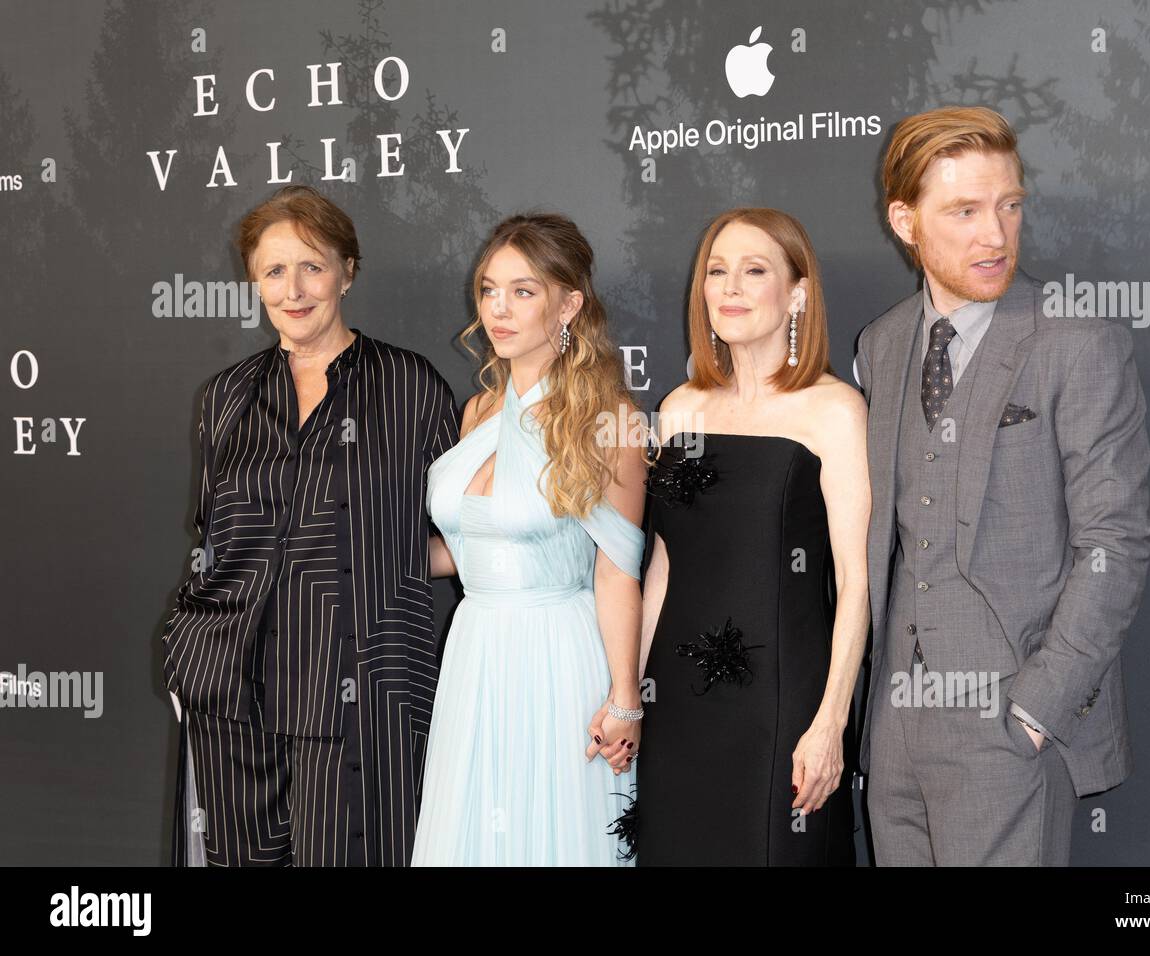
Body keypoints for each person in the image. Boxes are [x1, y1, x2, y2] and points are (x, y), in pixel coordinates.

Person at [856, 106, 1150, 865]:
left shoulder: (1076, 338)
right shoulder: (884, 344)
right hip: (893, 732)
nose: (996, 234)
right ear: (905, 221)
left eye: (1009, 205)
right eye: (964, 211)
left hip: (1008, 721)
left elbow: (1113, 544)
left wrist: (1035, 708)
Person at [161, 184, 459, 866]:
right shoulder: (227, 396)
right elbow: (212, 536)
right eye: (273, 271)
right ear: (253, 283)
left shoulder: (410, 387)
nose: (293, 290)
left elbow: (466, 534)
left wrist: (380, 558)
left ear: (347, 271)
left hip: (359, 695)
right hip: (230, 689)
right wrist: (187, 660)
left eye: (312, 266)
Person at [635, 208, 868, 865]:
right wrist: (634, 693)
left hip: (780, 704)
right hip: (677, 703)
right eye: (717, 271)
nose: (730, 287)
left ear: (797, 293)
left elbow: (855, 583)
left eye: (754, 270)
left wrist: (830, 722)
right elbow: (663, 569)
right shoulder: (679, 409)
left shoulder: (834, 411)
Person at [411, 213, 646, 865]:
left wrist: (624, 698)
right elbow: (469, 552)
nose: (498, 309)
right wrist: (358, 551)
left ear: (569, 302)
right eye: (489, 289)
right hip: (475, 652)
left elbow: (617, 571)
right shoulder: (479, 412)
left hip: (557, 656)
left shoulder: (609, 421)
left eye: (524, 290)